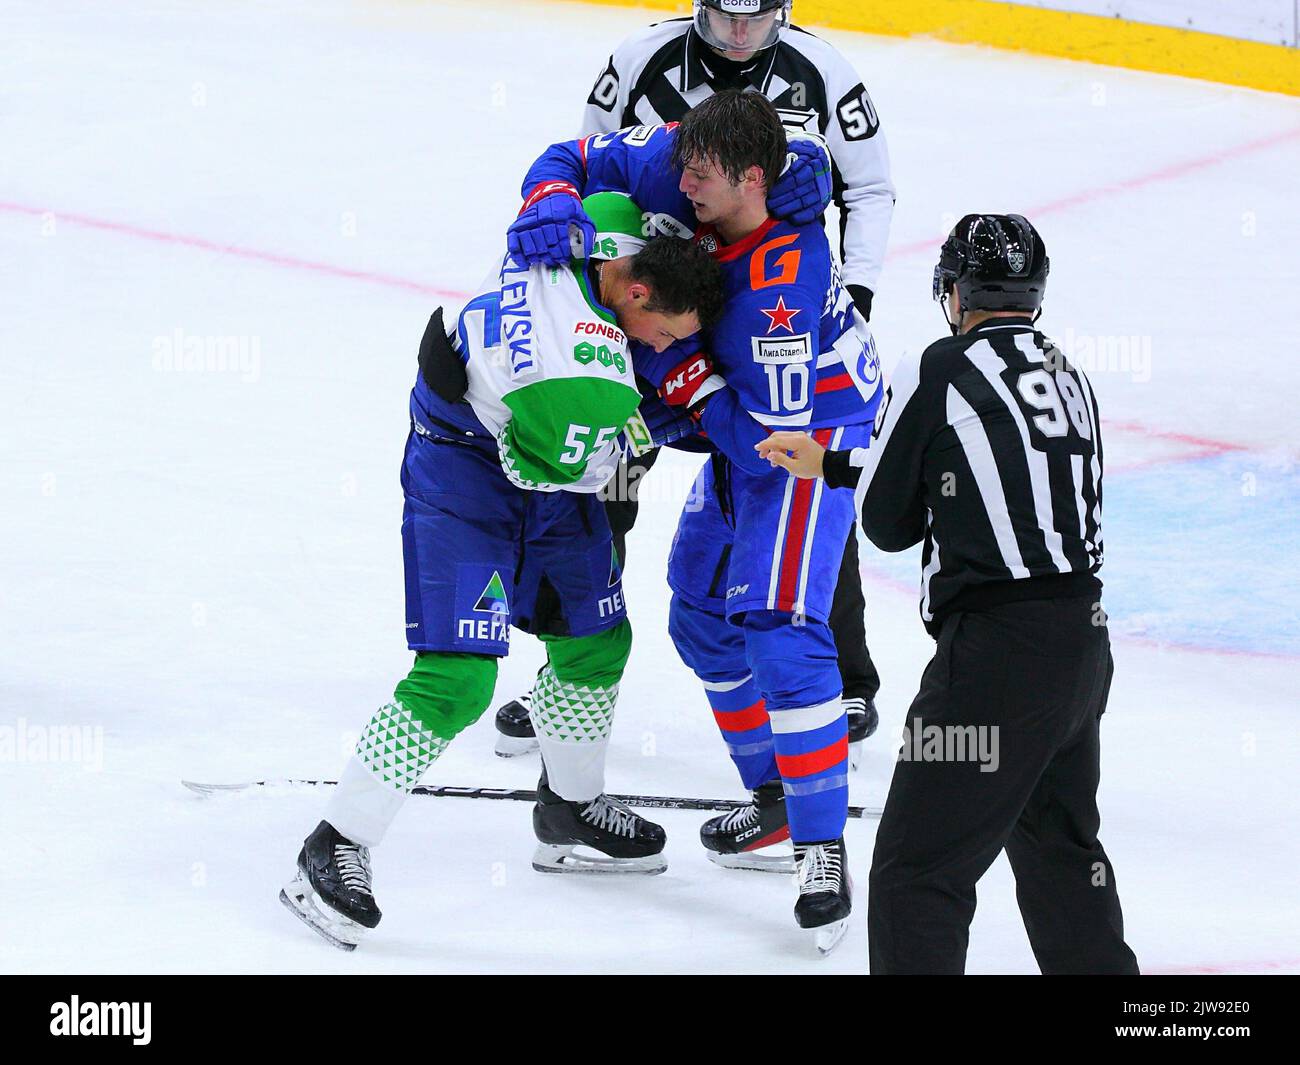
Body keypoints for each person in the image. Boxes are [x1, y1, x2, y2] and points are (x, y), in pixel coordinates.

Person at [280, 193, 725, 951]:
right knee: (458, 679)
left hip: (514, 422)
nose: (659, 348)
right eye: (662, 333)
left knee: (597, 638)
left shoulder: (600, 228)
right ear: (639, 292)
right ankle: (333, 843)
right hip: (466, 472)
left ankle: (569, 809)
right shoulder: (591, 385)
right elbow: (584, 466)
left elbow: (583, 178)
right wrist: (688, 418)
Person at [510, 92, 884, 952]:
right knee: (698, 618)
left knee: (778, 629)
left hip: (802, 439)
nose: (682, 186)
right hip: (748, 425)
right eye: (683, 167)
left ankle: (822, 849)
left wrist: (668, 376)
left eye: (702, 178)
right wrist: (548, 199)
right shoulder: (685, 160)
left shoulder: (776, 297)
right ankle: (777, 797)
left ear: (754, 178)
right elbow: (578, 155)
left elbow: (759, 443)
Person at [493, 0, 895, 761]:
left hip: (759, 327)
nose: (740, 35)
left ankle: (846, 676)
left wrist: (856, 294)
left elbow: (869, 190)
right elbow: (585, 156)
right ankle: (564, 666)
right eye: (723, 19)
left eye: (758, 18)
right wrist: (552, 198)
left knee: (795, 481)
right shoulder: (643, 65)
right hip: (655, 328)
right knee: (596, 485)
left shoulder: (826, 74)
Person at [758, 214, 1140, 974]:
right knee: (1061, 856)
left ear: (955, 291)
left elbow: (890, 523)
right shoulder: (1069, 374)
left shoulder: (939, 367)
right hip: (1081, 648)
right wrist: (834, 463)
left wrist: (857, 474)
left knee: (916, 875)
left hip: (993, 663)